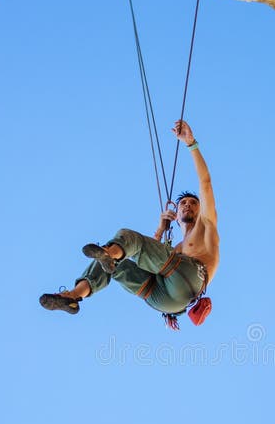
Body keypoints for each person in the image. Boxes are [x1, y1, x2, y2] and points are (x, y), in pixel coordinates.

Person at [39, 120, 219, 325]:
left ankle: (109, 253)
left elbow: (205, 182)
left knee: (129, 239)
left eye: (193, 203)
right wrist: (160, 230)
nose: (188, 205)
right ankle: (73, 296)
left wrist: (191, 143)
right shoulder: (178, 248)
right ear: (175, 214)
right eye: (183, 203)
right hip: (167, 301)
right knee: (114, 264)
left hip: (190, 279)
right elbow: (151, 261)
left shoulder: (207, 226)